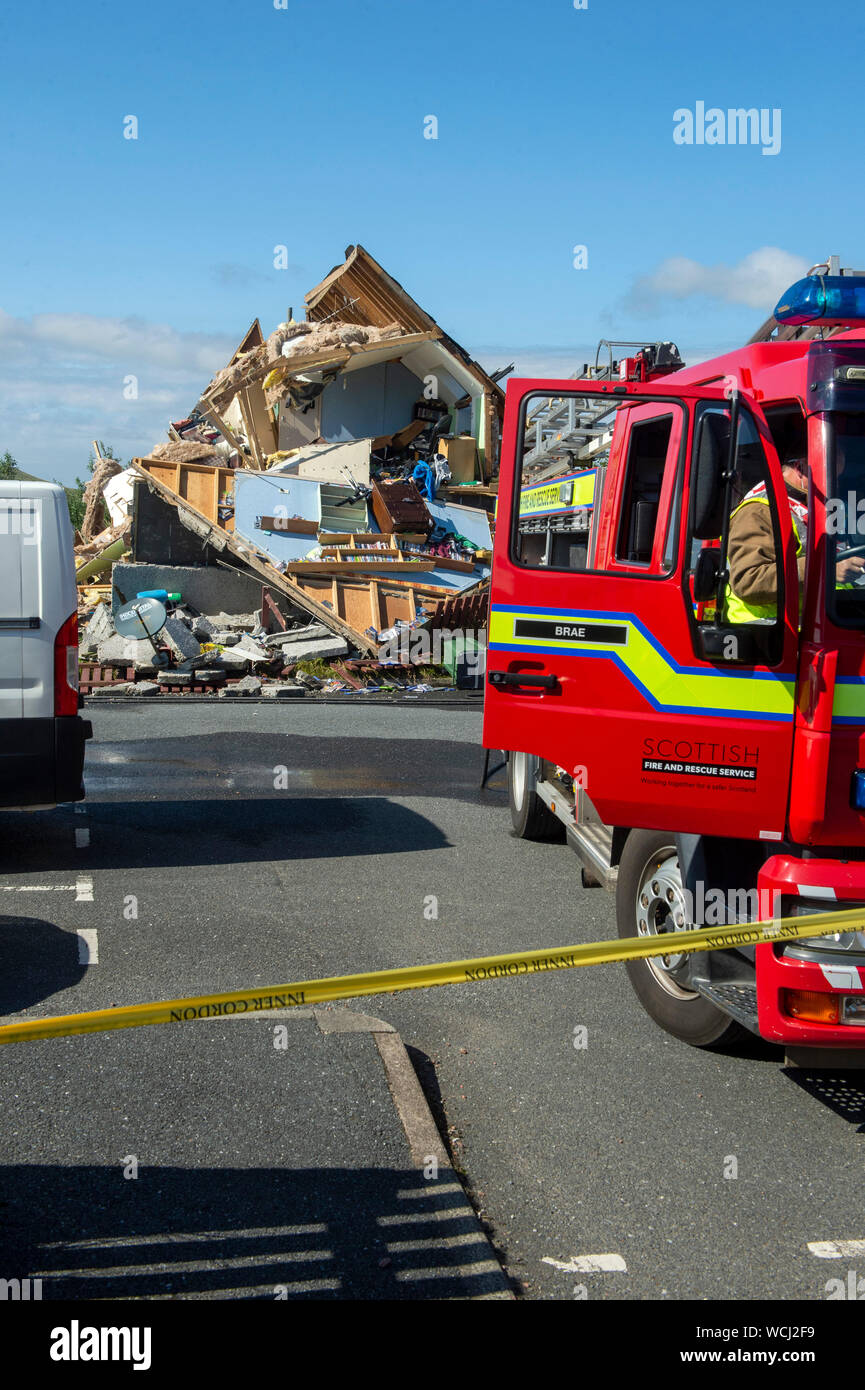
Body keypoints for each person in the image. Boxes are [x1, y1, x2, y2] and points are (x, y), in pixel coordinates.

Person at [725, 455, 865, 623]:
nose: (835, 483)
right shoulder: (759, 510)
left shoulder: (811, 508)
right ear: (800, 468)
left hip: (823, 625)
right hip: (771, 635)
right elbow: (749, 582)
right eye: (829, 473)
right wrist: (826, 570)